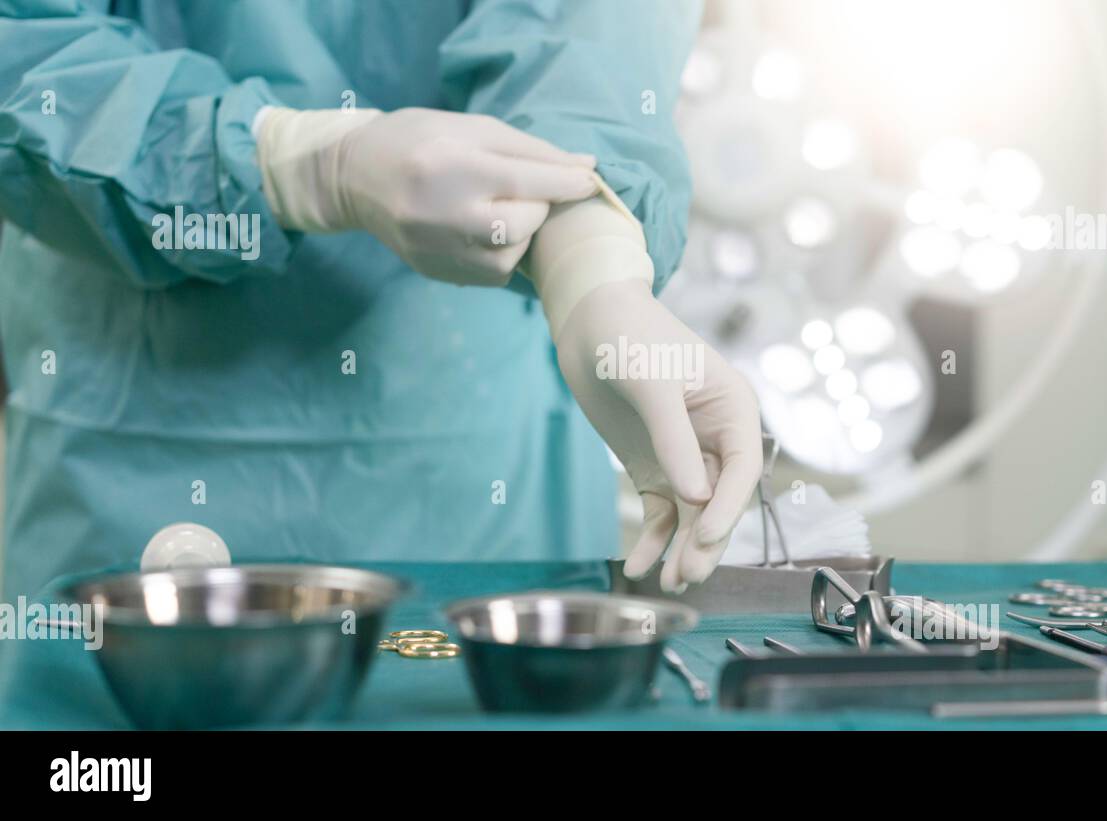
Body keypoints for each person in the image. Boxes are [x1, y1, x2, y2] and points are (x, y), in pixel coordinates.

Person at [0, 0, 762, 600]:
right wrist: (297, 161)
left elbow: (590, 28)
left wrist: (593, 269)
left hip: (477, 471)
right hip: (128, 468)